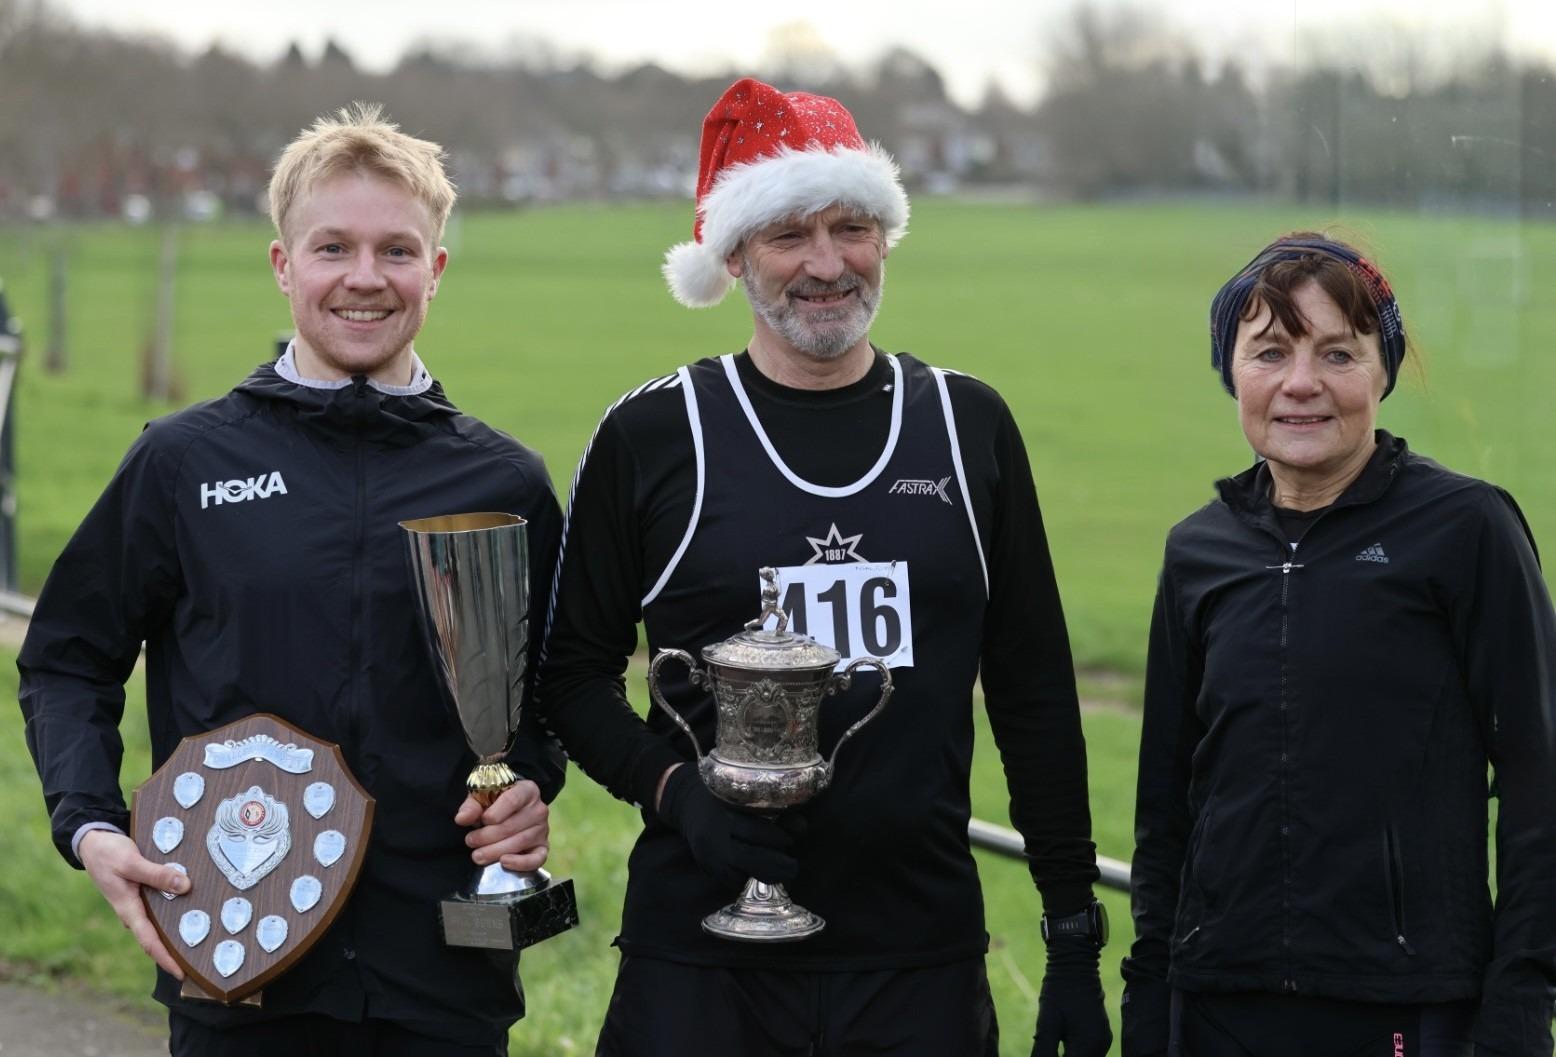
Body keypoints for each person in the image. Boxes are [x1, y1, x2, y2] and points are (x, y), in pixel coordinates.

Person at [537, 77, 1110, 1057]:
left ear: (884, 236)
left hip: (917, 961)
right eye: (788, 234)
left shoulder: (966, 424)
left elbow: (1034, 692)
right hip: (701, 961)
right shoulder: (655, 433)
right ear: (733, 252)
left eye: (851, 228)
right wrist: (678, 795)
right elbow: (568, 676)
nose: (826, 264)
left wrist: (1070, 931)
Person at [18, 103, 564, 1056]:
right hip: (235, 960)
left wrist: (529, 786)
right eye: (332, 247)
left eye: (397, 250)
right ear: (283, 264)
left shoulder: (502, 482)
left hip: (440, 977)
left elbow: (554, 692)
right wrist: (90, 824)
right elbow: (68, 658)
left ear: (436, 268)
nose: (365, 277)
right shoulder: (183, 462)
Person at [1121, 233, 1556, 1056]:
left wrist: (1520, 1002)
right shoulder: (1198, 550)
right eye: (1269, 352)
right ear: (1231, 372)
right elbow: (1165, 803)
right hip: (1220, 1001)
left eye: (1338, 353)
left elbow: (1540, 778)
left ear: (1381, 371)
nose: (1301, 383)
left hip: (1405, 1003)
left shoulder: (1467, 529)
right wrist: (1149, 995)